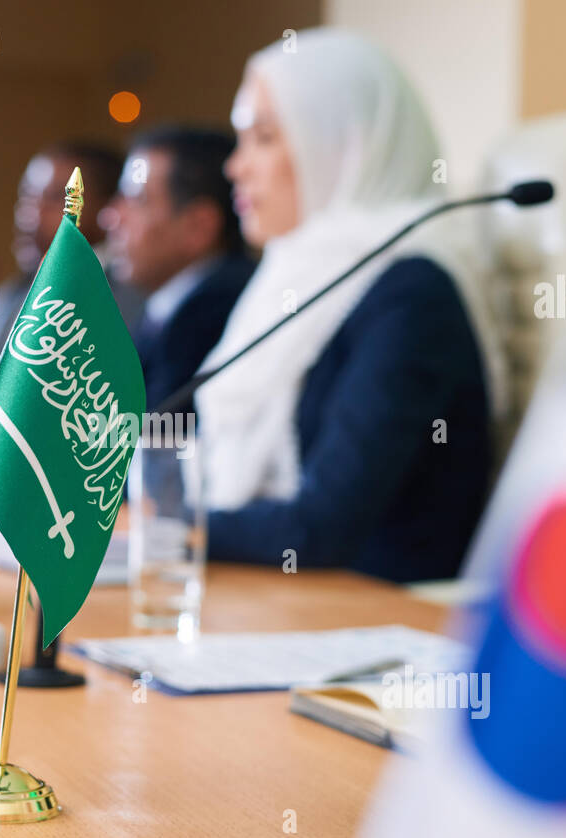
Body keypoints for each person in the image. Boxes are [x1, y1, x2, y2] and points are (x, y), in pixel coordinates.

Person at [198, 28, 508, 583]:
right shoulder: (290, 272)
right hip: (284, 603)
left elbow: (321, 527)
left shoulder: (415, 293)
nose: (235, 167)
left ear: (344, 143)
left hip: (377, 631)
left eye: (263, 138)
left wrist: (169, 523)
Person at [0, 142, 143, 415]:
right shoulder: (10, 292)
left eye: (54, 199)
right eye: (27, 197)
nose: (29, 216)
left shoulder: (121, 295)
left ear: (107, 210)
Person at [105, 127, 255, 413]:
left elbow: (153, 437)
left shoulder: (214, 312)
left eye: (136, 201)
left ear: (198, 226)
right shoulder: (168, 305)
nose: (111, 217)